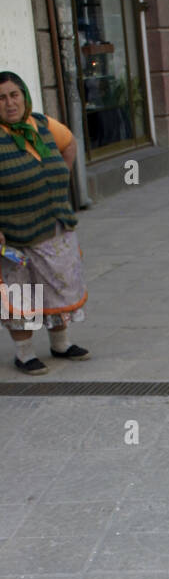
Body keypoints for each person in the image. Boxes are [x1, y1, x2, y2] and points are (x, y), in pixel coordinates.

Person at [0, 72, 89, 374]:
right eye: (1, 98)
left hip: (54, 223)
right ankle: (24, 354)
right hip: (14, 232)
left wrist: (57, 181)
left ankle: (61, 344)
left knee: (59, 285)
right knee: (20, 293)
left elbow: (69, 144)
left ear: (24, 96)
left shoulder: (41, 124)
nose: (10, 103)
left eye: (14, 94)